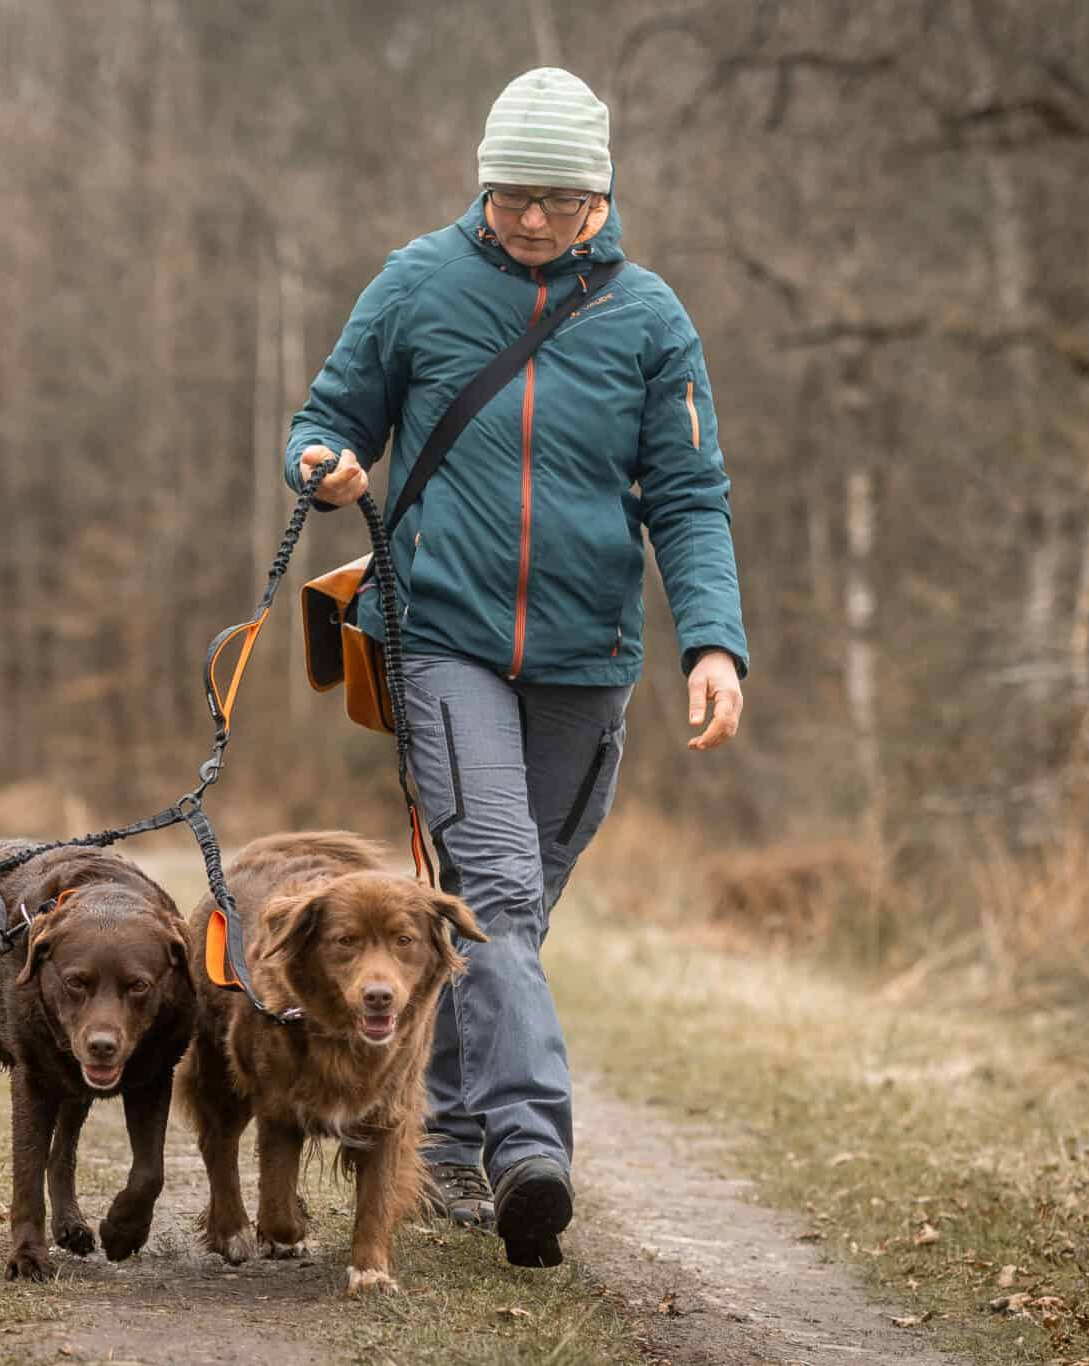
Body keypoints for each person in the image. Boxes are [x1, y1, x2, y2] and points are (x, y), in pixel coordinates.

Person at [285, 67, 748, 1268]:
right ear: (481, 185)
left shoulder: (649, 318)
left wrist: (710, 641)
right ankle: (527, 1149)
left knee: (506, 914)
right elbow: (324, 417)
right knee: (491, 887)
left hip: (589, 657)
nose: (531, 219)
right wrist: (324, 466)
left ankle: (437, 1133)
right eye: (509, 196)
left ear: (601, 196)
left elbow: (688, 496)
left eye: (557, 199)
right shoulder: (416, 284)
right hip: (443, 640)